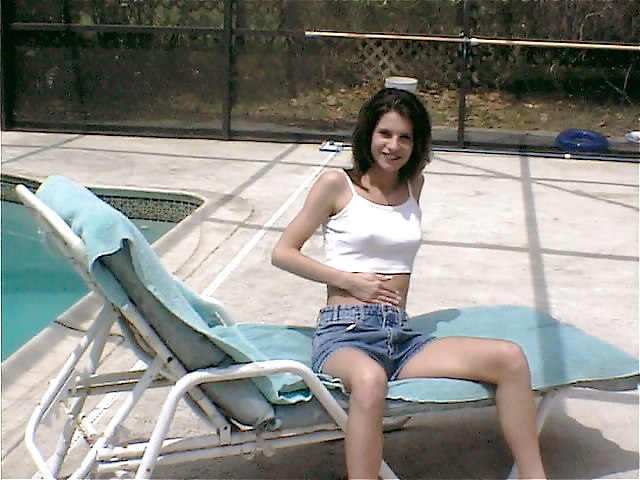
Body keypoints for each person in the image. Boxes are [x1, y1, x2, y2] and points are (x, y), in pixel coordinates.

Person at [271, 87, 546, 480]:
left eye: (405, 137)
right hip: (345, 333)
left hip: (399, 336)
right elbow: (282, 252)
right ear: (368, 133)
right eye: (385, 133)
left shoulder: (413, 184)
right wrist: (349, 281)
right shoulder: (337, 184)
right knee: (370, 379)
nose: (393, 145)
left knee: (510, 358)